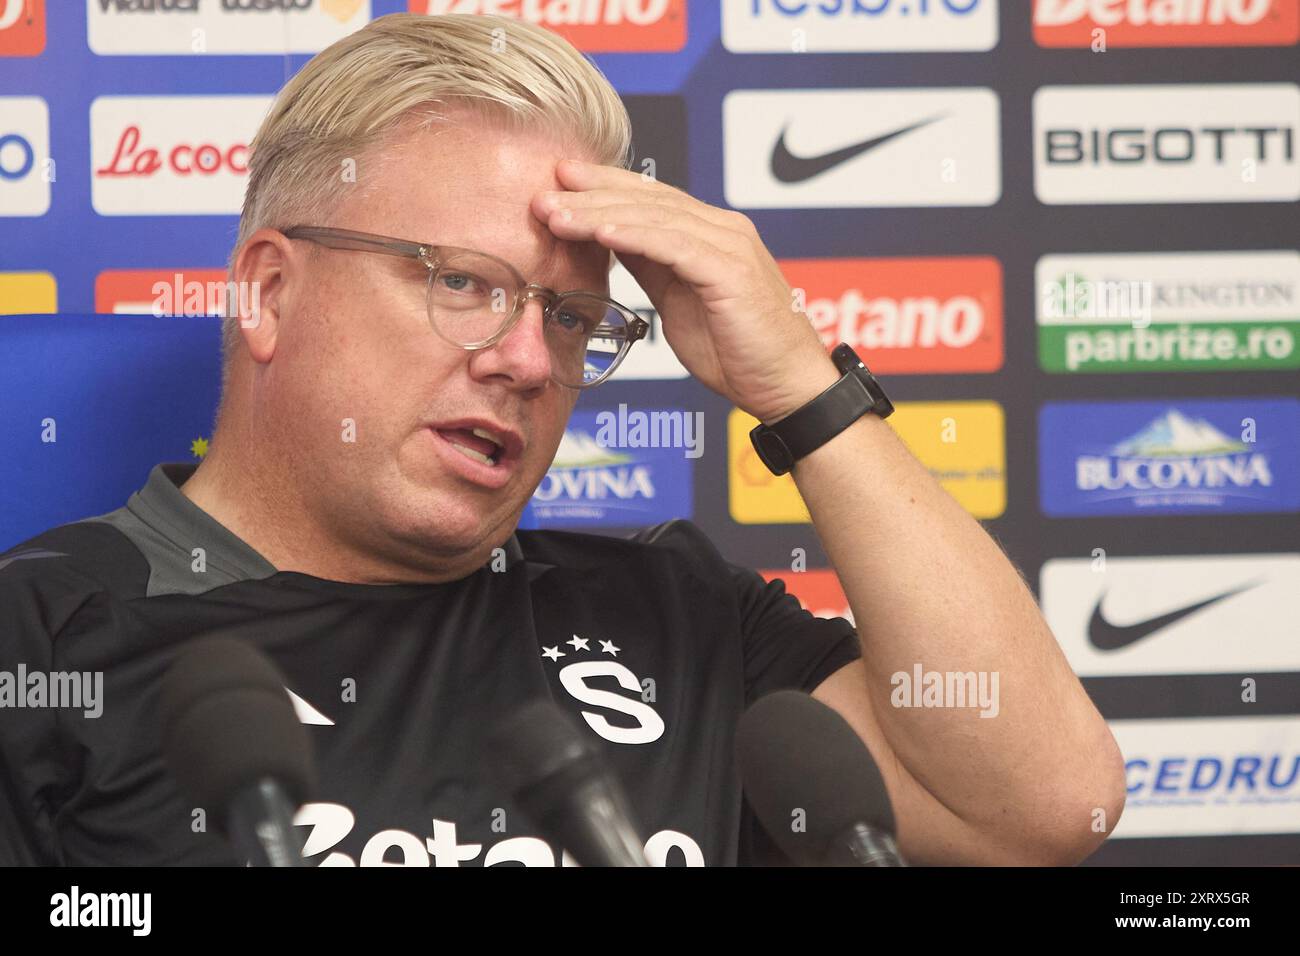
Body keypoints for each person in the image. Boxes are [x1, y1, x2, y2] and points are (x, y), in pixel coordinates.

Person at [0, 12, 1124, 867]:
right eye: (462, 283)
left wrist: (799, 387)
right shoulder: (41, 645)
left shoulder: (678, 614)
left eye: (572, 317)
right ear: (270, 292)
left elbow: (1038, 807)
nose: (528, 361)